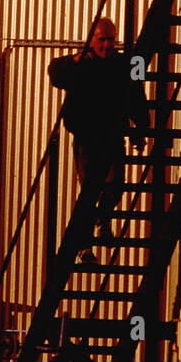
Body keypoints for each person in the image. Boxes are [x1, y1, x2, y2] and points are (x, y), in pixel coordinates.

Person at [48, 18, 149, 263]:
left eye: (110, 40)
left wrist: (140, 129)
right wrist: (76, 60)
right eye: (101, 39)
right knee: (90, 192)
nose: (106, 45)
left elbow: (138, 95)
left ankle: (101, 221)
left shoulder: (126, 63)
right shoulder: (81, 63)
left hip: (112, 135)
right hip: (86, 137)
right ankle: (84, 246)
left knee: (115, 186)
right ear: (91, 40)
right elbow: (55, 72)